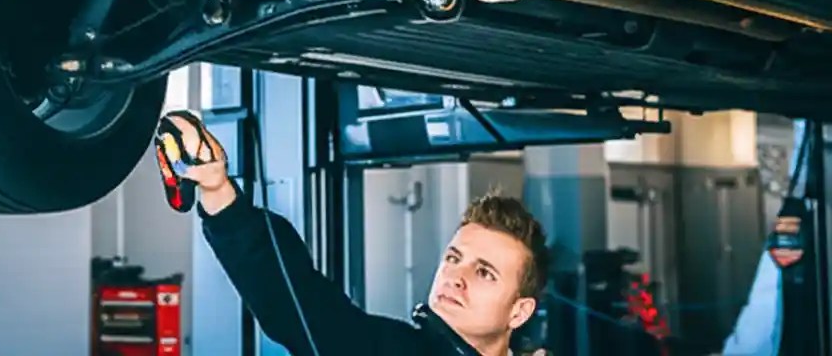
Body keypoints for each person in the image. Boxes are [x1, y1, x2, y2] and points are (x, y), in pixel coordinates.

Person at [163, 113, 550, 356]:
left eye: (484, 272)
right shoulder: (384, 349)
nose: (455, 278)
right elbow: (299, 303)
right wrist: (220, 195)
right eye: (453, 258)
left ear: (519, 311)